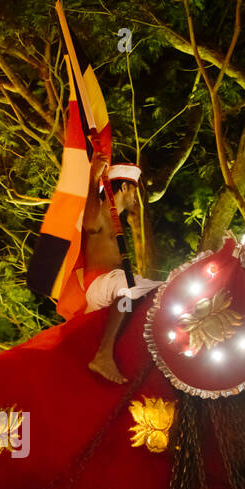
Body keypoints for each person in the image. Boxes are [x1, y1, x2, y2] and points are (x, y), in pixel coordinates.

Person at [82, 155, 160, 383]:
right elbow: (88, 223)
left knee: (161, 288)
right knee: (129, 285)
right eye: (134, 190)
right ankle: (103, 354)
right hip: (100, 284)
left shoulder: (117, 222)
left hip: (115, 285)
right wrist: (93, 177)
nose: (136, 197)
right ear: (124, 186)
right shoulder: (101, 214)